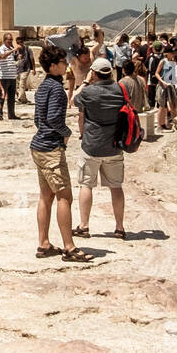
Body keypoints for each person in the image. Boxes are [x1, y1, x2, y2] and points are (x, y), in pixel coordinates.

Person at [30, 44, 92, 262]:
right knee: (64, 196)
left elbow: (38, 119)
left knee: (45, 196)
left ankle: (44, 243)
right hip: (50, 148)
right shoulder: (56, 89)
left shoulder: (42, 86)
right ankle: (69, 247)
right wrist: (66, 132)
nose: (67, 66)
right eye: (64, 62)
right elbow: (54, 119)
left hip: (38, 145)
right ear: (54, 65)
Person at [73, 57, 127, 239]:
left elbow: (73, 100)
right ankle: (119, 227)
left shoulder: (89, 92)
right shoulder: (120, 90)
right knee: (116, 186)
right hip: (114, 145)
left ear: (94, 73)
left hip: (92, 145)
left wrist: (86, 81)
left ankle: (84, 225)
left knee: (86, 184)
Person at [0, 31, 21, 120]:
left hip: (12, 76)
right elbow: (3, 56)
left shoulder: (11, 48)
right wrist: (13, 50)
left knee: (12, 97)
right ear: (4, 40)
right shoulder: (2, 48)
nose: (11, 41)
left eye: (11, 40)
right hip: (4, 76)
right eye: (9, 40)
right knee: (2, 96)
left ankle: (11, 114)